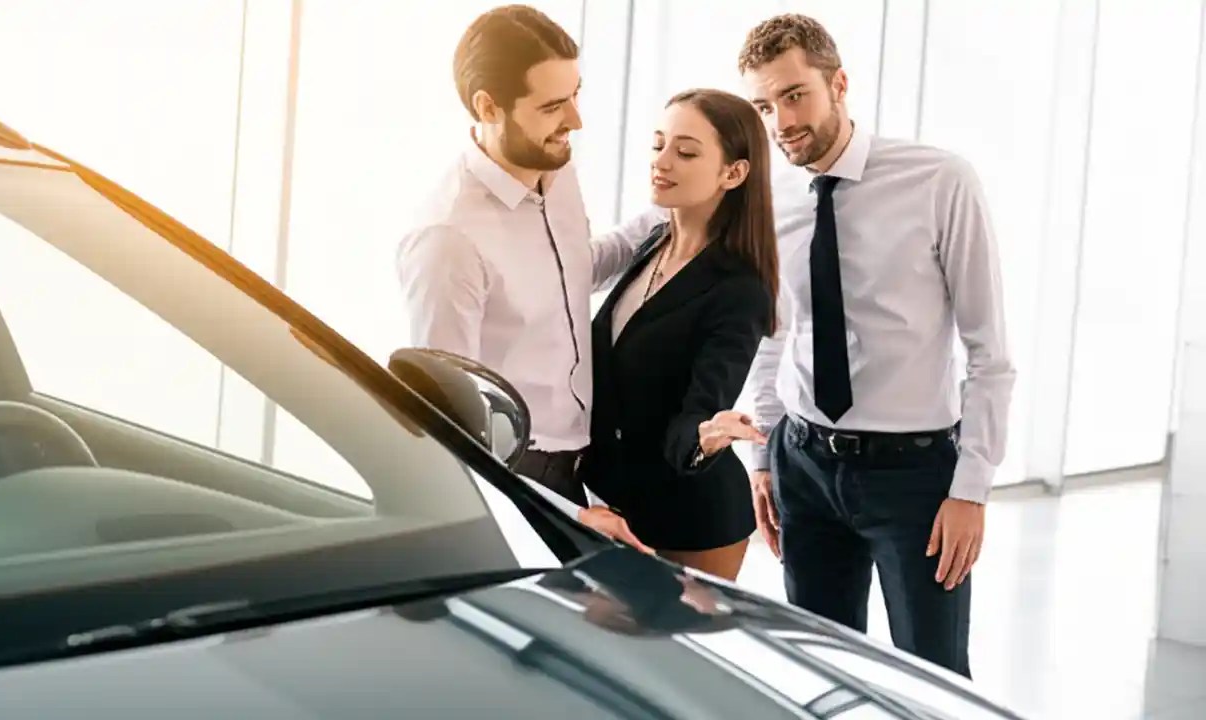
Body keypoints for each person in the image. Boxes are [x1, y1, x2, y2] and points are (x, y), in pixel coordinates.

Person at [731, 14, 1016, 677]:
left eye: (795, 95)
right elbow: (777, 333)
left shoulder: (940, 181)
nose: (781, 121)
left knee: (934, 676)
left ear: (839, 84)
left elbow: (990, 352)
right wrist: (763, 455)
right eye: (764, 105)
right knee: (822, 674)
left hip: (913, 480)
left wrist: (970, 490)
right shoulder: (774, 201)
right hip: (801, 465)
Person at [395, 5, 677, 550]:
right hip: (516, 479)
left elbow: (571, 273)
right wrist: (559, 510)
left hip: (582, 464)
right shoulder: (448, 238)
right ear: (488, 106)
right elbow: (447, 424)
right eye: (552, 105)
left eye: (576, 94)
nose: (576, 120)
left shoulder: (556, 167)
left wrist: (673, 213)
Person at [580, 89, 777, 582]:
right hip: (614, 500)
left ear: (733, 173)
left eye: (686, 152)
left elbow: (699, 408)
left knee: (676, 652)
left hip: (691, 515)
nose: (661, 162)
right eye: (658, 144)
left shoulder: (740, 290)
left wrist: (706, 437)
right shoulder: (652, 243)